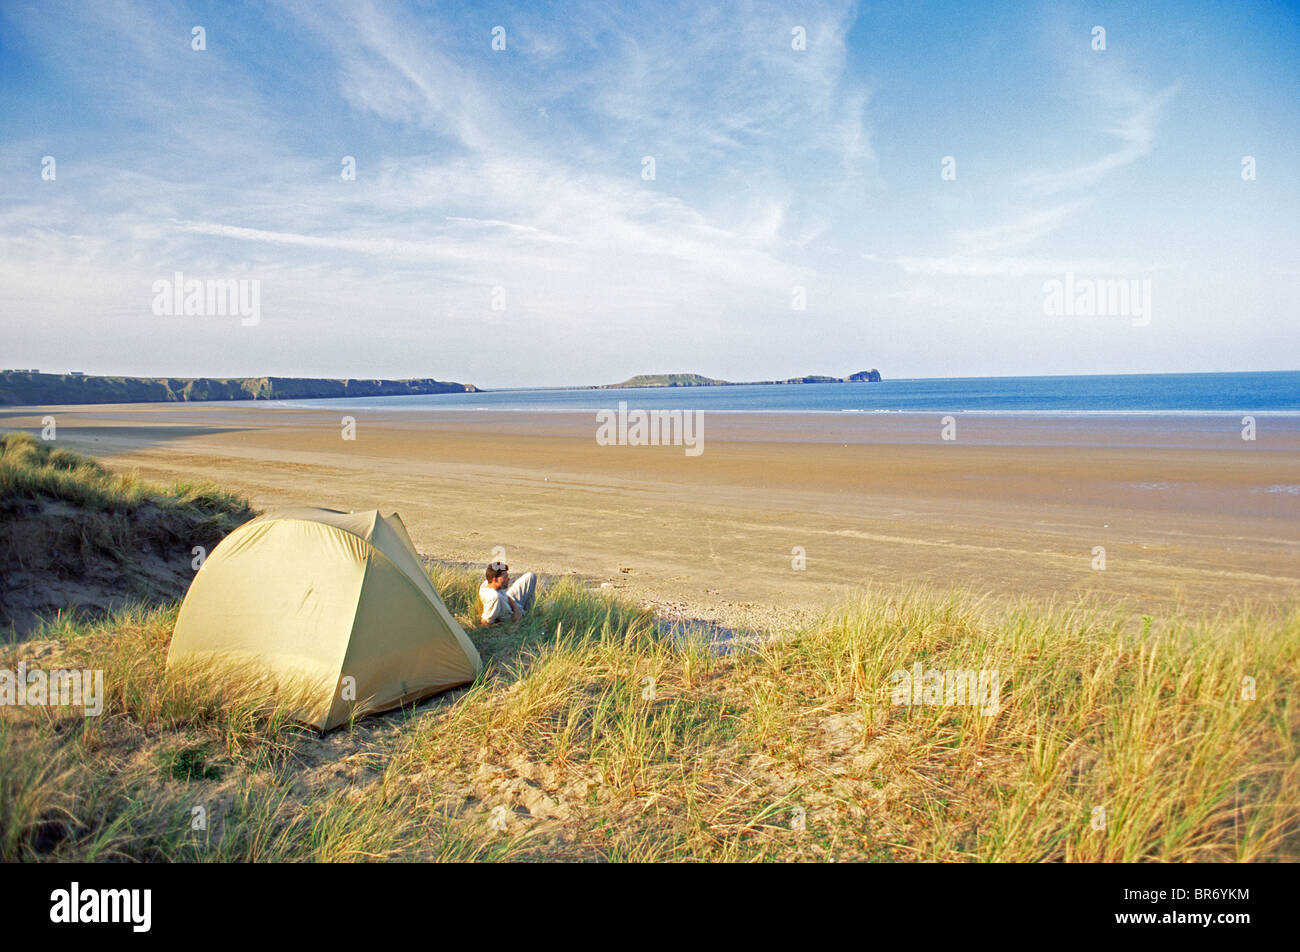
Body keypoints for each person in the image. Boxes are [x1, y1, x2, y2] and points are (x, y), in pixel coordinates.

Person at [479, 561, 537, 625]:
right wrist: (514, 618)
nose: (508, 579)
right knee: (531, 605)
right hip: (511, 613)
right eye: (505, 577)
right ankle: (529, 614)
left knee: (531, 576)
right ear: (495, 580)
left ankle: (529, 611)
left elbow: (506, 596)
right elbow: (485, 621)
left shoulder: (487, 583)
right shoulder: (494, 598)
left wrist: (515, 607)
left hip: (510, 602)